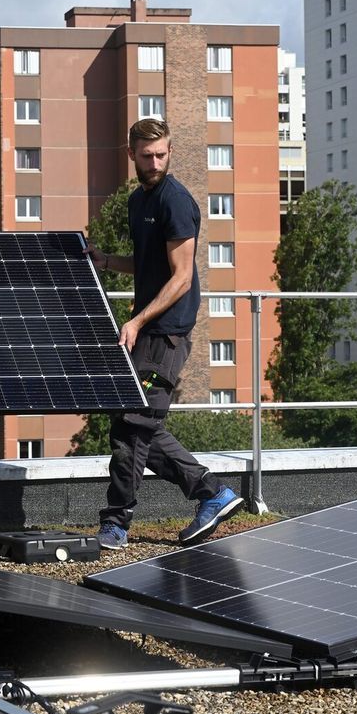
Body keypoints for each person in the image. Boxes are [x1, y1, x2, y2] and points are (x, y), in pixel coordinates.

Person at [88, 118, 242, 550]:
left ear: (170, 152)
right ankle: (212, 493)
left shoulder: (175, 201)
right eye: (146, 155)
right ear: (131, 154)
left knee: (132, 428)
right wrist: (105, 261)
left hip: (166, 333)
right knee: (136, 423)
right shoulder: (139, 200)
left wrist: (136, 321)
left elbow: (179, 278)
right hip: (147, 329)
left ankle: (115, 524)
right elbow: (147, 265)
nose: (154, 162)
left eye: (161, 154)